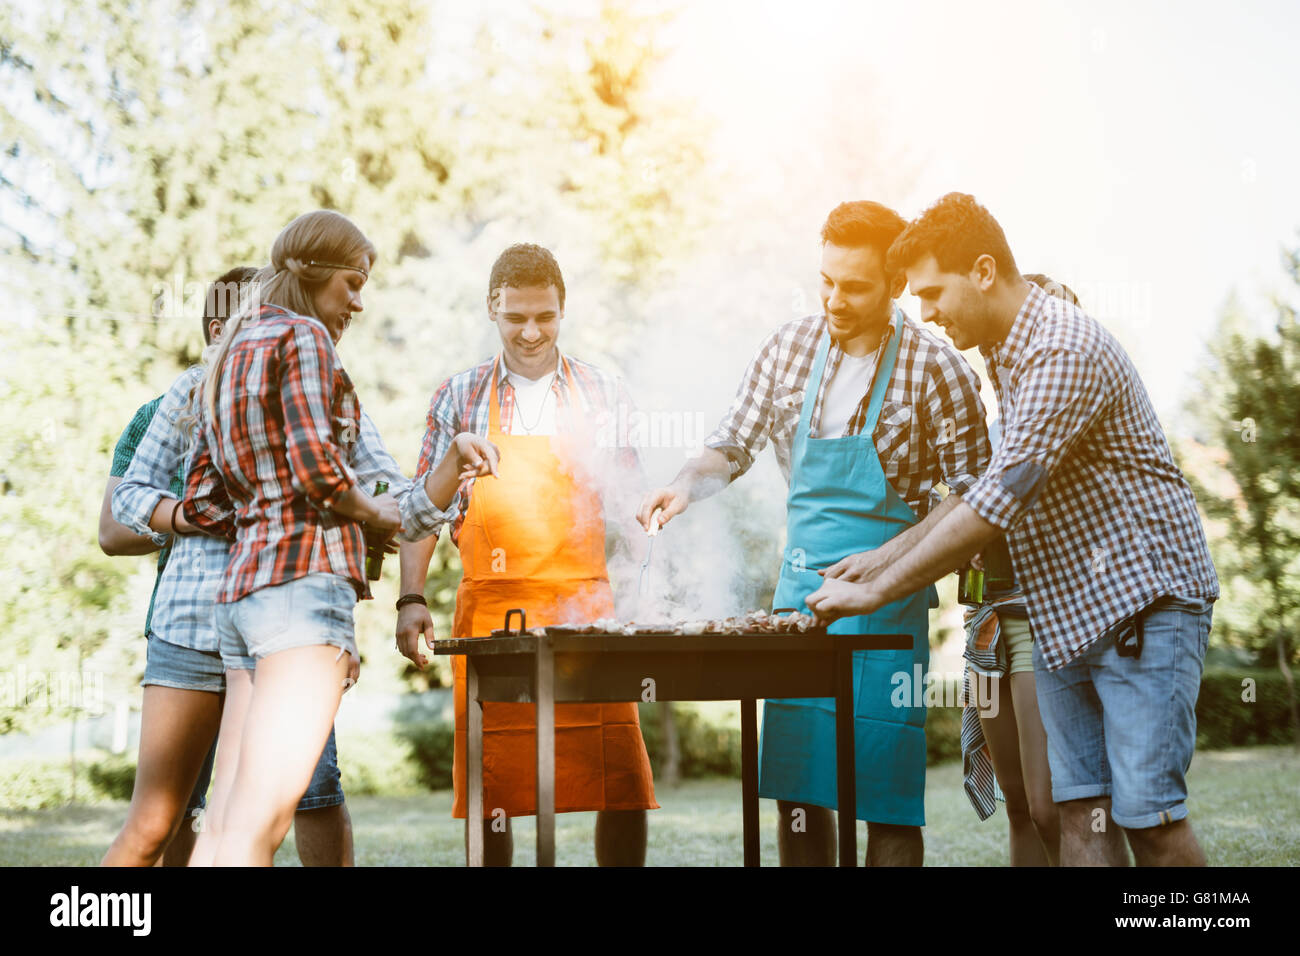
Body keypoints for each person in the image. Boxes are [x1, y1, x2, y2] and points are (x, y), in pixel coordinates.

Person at [808, 193, 1220, 867]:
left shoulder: (1060, 348)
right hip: (1066, 614)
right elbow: (979, 486)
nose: (927, 315)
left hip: (1142, 605)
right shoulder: (1004, 351)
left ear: (983, 271)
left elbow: (996, 504)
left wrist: (876, 594)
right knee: (1077, 817)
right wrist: (878, 559)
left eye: (934, 293)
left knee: (1150, 822)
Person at [637, 202, 992, 865]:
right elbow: (732, 445)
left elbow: (974, 493)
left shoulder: (937, 369)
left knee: (885, 801)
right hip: (799, 604)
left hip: (889, 603)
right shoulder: (789, 349)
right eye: (826, 280)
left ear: (894, 286)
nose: (834, 298)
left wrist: (891, 565)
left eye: (854, 286)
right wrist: (685, 482)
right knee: (800, 798)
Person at [182, 211, 458, 866]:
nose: (359, 302)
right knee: (259, 827)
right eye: (352, 282)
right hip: (303, 594)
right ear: (312, 273)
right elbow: (320, 471)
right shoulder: (304, 337)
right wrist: (377, 516)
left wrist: (272, 511)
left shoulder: (232, 348)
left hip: (241, 597)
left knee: (224, 820)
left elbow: (202, 494)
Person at [396, 243, 657, 866]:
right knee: (495, 785)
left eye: (545, 316)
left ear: (563, 309)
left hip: (589, 613)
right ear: (494, 309)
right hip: (494, 616)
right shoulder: (457, 395)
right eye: (516, 317)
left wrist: (654, 584)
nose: (531, 331)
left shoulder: (602, 390)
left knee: (619, 778)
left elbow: (630, 504)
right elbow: (421, 511)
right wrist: (409, 599)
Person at [102, 267, 358, 867]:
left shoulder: (309, 397)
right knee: (166, 820)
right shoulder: (171, 405)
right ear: (222, 327)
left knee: (293, 802)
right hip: (191, 625)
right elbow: (116, 524)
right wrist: (194, 516)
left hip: (282, 630)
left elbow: (351, 488)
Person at [955, 273, 1077, 867]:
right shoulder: (993, 430)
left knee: (1051, 802)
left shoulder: (1069, 414)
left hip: (1039, 620)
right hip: (986, 625)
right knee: (1019, 803)